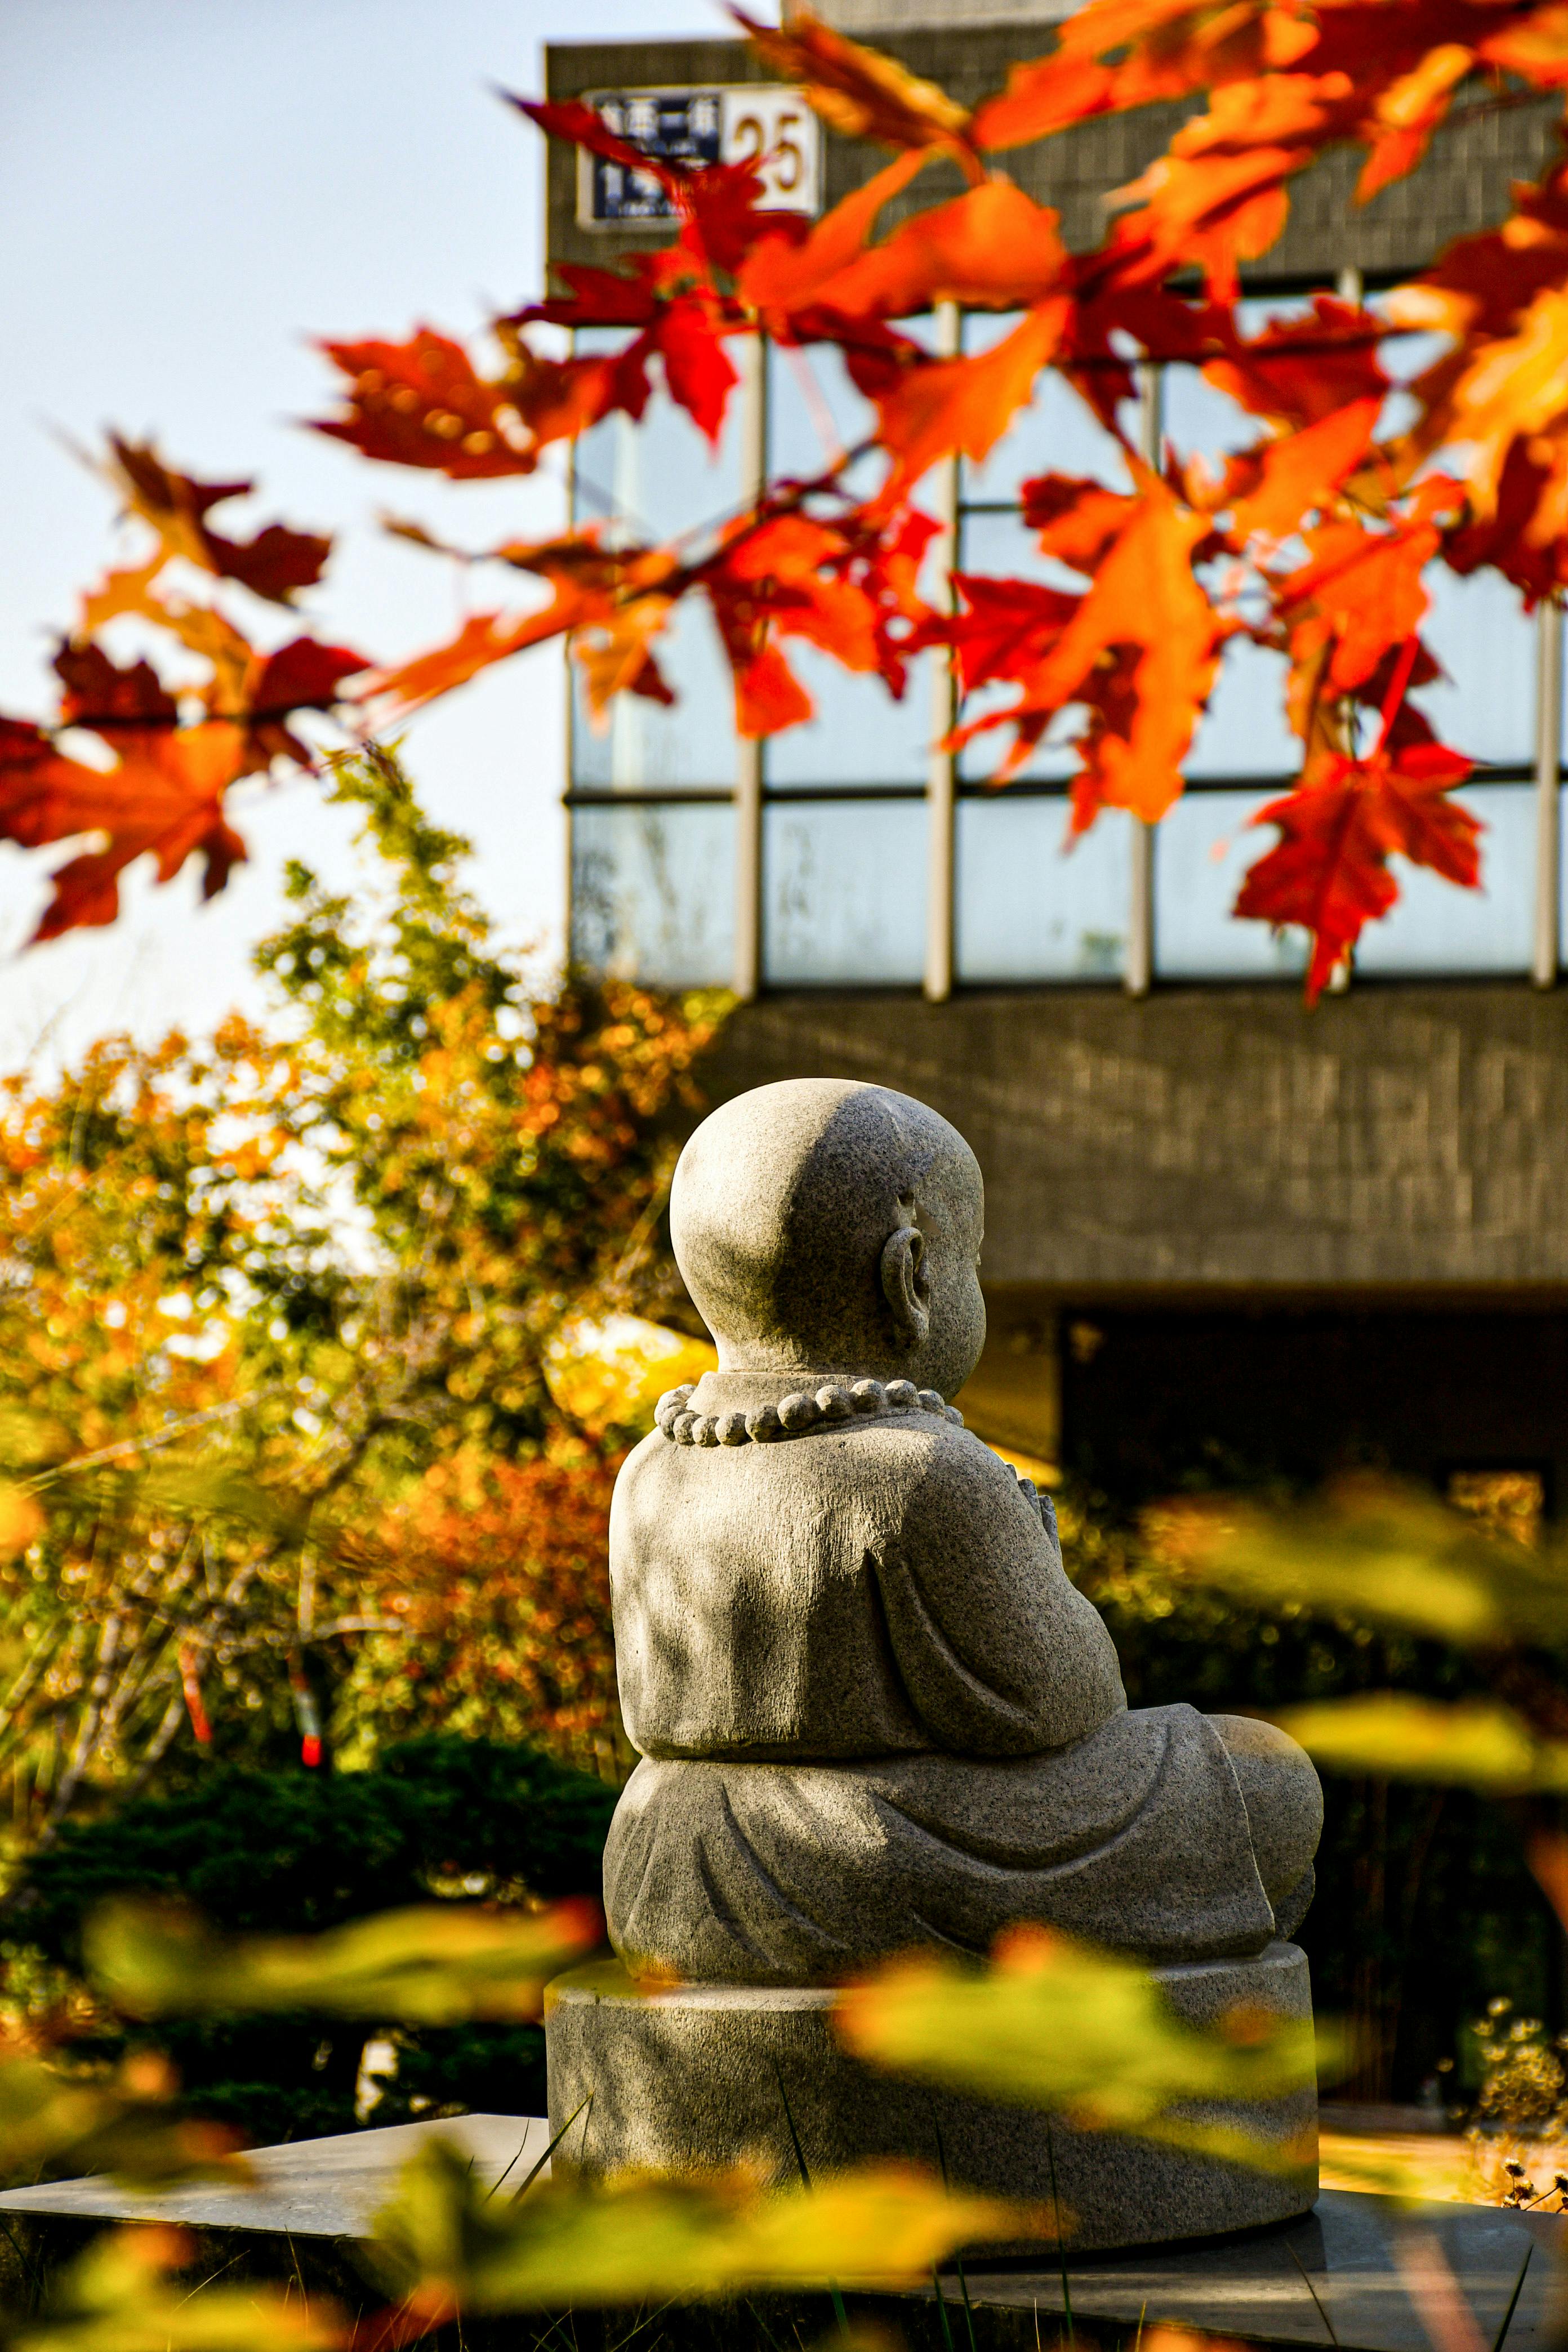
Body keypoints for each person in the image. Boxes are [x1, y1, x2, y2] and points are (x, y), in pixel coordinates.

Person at [604, 1077, 1321, 1986]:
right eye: (971, 1257)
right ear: (913, 1277)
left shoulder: (651, 1472)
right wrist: (1029, 1530)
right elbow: (1066, 1703)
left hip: (665, 1868)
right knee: (1267, 1780)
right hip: (866, 1869)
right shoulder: (918, 1471)